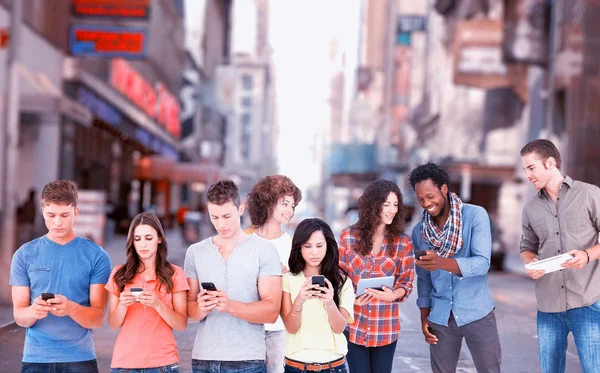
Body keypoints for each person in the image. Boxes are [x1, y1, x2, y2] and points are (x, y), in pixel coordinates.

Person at [10, 180, 112, 373]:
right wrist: (33, 311)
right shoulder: (24, 255)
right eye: (51, 215)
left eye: (64, 215)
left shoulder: (97, 256)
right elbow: (20, 316)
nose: (57, 222)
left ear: (76, 212)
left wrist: (71, 308)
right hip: (35, 360)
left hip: (81, 360)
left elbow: (98, 317)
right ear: (43, 212)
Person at [408, 163, 501, 373]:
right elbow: (423, 278)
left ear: (443, 189)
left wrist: (441, 262)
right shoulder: (419, 231)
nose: (426, 203)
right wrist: (424, 315)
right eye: (421, 199)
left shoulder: (475, 216)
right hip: (440, 316)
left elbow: (482, 263)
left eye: (430, 196)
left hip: (477, 312)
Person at [184, 179, 282, 373]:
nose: (221, 224)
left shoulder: (264, 251)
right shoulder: (195, 252)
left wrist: (229, 306)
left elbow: (271, 312)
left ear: (241, 208)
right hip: (203, 359)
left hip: (247, 362)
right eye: (215, 217)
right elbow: (188, 311)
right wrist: (201, 308)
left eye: (227, 216)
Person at [519, 139, 600, 373]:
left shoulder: (590, 195)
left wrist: (586, 255)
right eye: (525, 170)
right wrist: (529, 262)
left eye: (531, 168)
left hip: (588, 302)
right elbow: (526, 246)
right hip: (548, 307)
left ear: (550, 163)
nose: (527, 175)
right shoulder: (531, 209)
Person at [338, 180, 415, 373]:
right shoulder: (348, 237)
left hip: (386, 328)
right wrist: (352, 299)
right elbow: (338, 277)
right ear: (373, 205)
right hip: (354, 327)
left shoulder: (403, 242)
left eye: (396, 205)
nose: (392, 210)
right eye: (387, 204)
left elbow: (406, 280)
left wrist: (394, 294)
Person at [105, 212, 189, 373]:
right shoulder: (119, 274)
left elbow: (181, 324)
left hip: (163, 364)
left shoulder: (175, 274)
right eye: (138, 239)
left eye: (148, 238)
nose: (143, 244)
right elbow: (114, 324)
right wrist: (123, 305)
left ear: (159, 239)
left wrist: (158, 304)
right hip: (124, 364)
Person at [245, 175, 303, 373]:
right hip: (246, 326)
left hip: (280, 329)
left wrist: (286, 276)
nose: (290, 210)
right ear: (268, 201)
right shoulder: (243, 240)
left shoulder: (294, 244)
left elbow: (299, 289)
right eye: (285, 203)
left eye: (293, 206)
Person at [281, 218, 354, 373]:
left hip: (333, 367)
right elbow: (291, 328)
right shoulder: (288, 280)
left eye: (319, 245)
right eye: (307, 246)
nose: (314, 252)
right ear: (299, 248)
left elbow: (340, 328)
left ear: (328, 245)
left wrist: (329, 302)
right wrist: (299, 301)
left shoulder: (343, 281)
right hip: (296, 366)